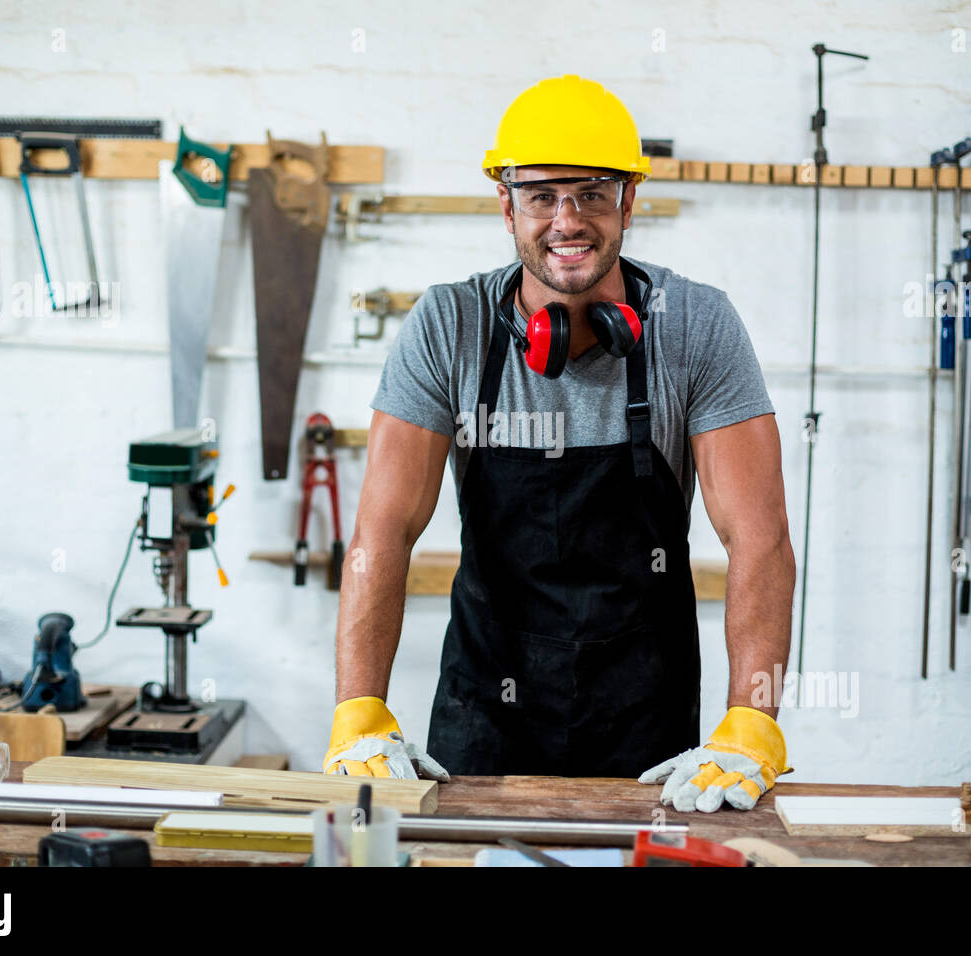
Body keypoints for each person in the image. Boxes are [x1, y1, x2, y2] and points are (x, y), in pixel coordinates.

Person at [323, 75, 795, 812]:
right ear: (505, 204)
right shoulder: (450, 325)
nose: (567, 220)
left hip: (648, 733)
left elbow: (759, 540)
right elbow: (381, 533)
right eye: (542, 195)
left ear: (629, 202)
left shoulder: (695, 325)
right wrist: (356, 716)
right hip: (484, 721)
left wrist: (751, 723)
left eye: (592, 194)